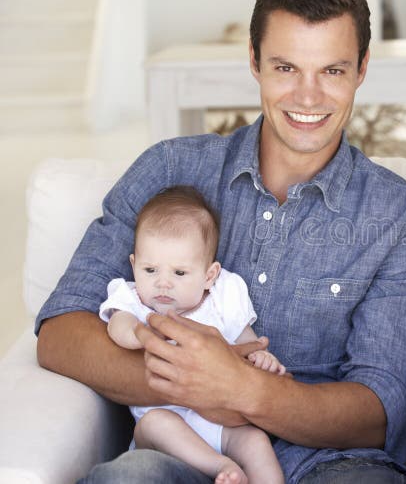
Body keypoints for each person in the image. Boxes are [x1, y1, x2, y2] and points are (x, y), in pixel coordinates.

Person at [35, 0, 406, 484]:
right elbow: (60, 332)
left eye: (332, 71)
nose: (308, 97)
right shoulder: (168, 170)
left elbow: (378, 410)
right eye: (286, 68)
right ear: (254, 62)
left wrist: (243, 391)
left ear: (361, 69)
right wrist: (193, 385)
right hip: (179, 448)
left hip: (335, 466)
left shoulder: (398, 216)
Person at [101, 186, 285, 484]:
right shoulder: (133, 300)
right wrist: (140, 333)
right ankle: (221, 467)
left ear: (209, 275)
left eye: (179, 273)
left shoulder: (223, 294)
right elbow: (116, 325)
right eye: (150, 270)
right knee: (153, 423)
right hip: (167, 431)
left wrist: (260, 357)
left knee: (255, 441)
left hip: (222, 422)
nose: (162, 283)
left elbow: (246, 340)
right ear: (134, 265)